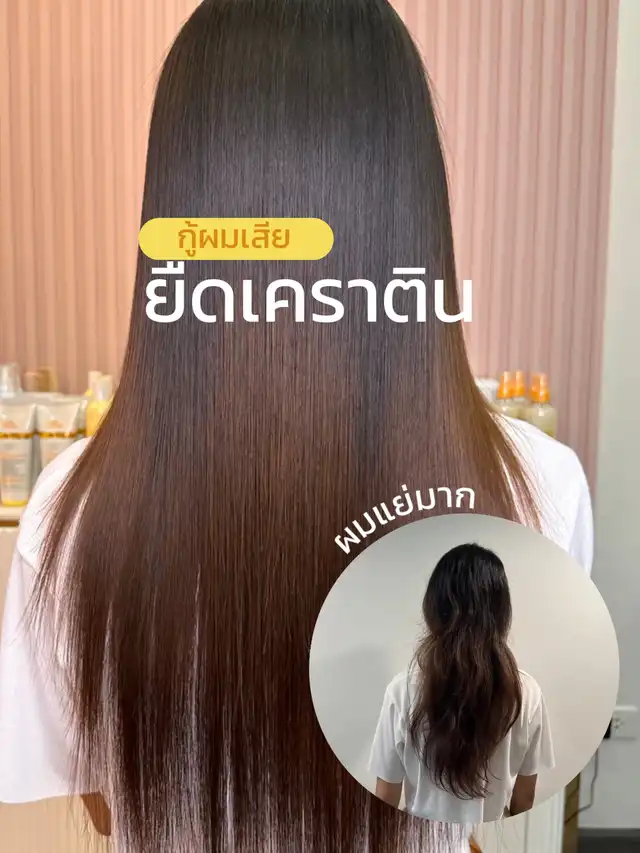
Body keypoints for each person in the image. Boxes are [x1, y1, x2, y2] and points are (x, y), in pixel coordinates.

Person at [0, 1, 592, 852]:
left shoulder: (71, 515)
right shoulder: (537, 489)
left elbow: (107, 799)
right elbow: (491, 793)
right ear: (411, 209)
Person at [369, 544, 555, 824]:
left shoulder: (402, 690)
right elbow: (523, 799)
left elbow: (385, 796)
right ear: (501, 611)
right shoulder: (527, 693)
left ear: (434, 607)